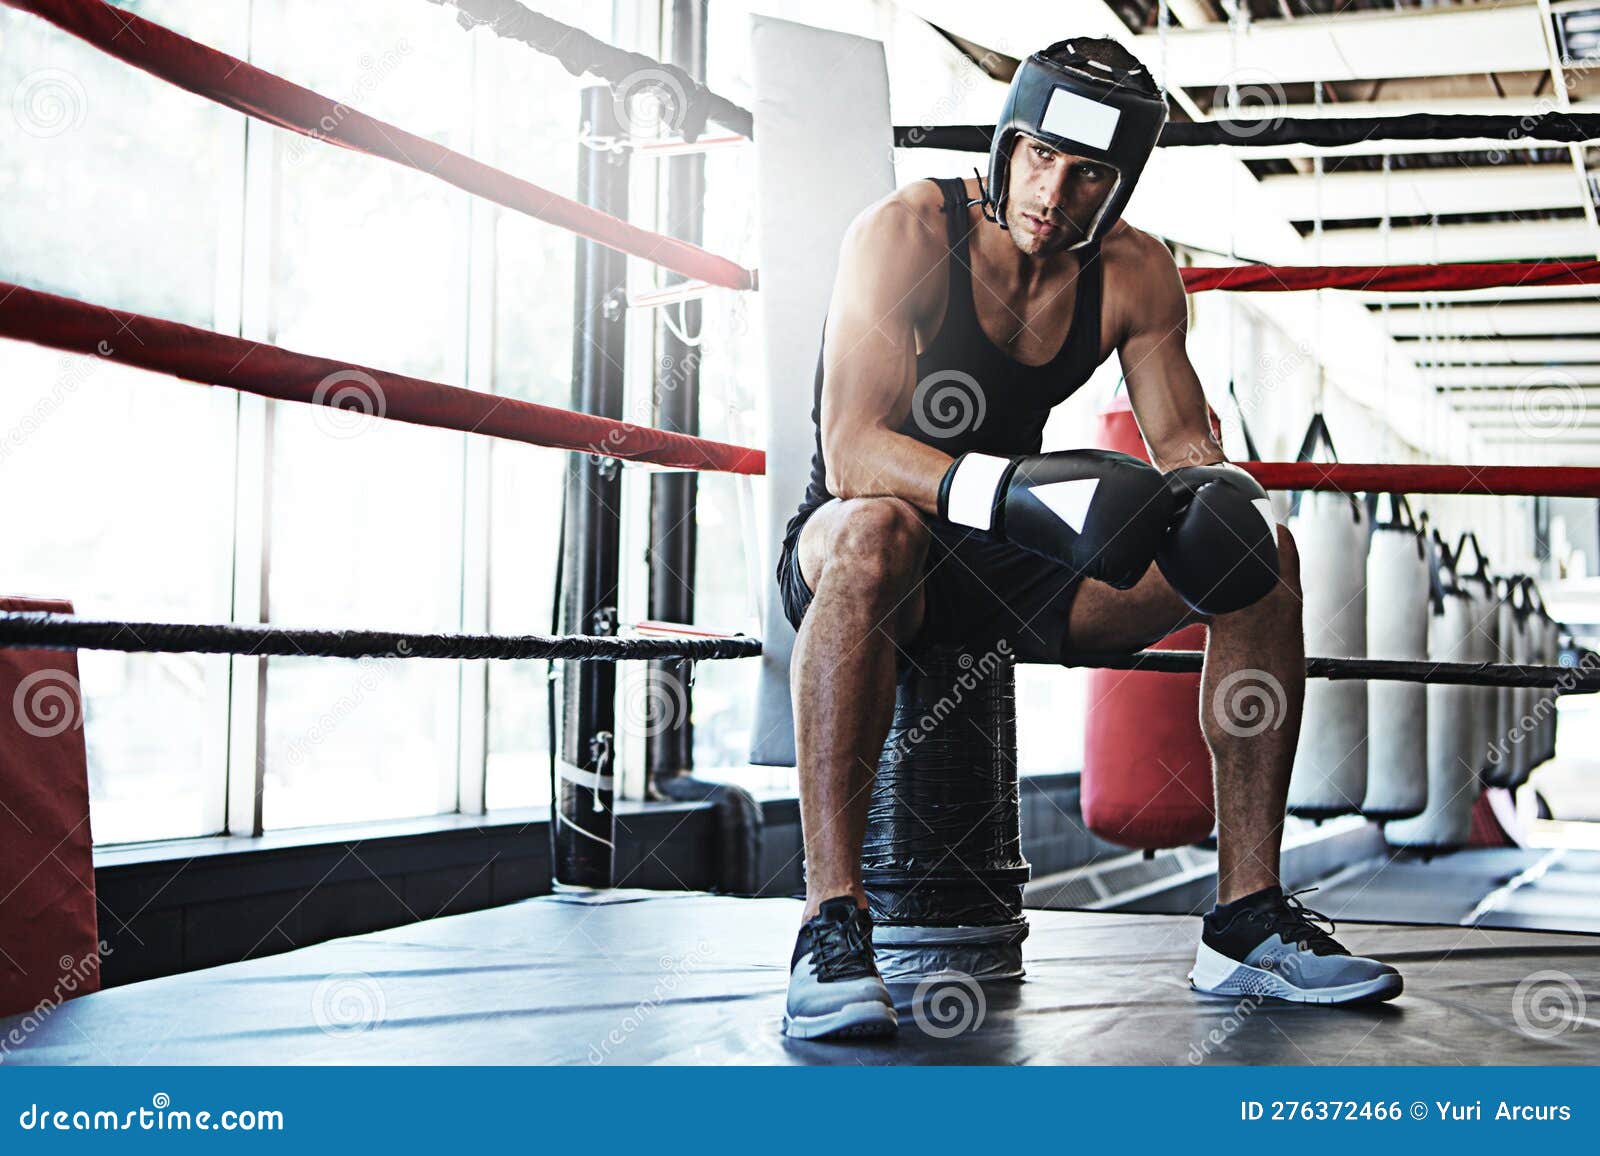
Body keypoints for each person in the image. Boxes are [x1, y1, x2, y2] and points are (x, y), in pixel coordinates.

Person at [777, 38, 1401, 1041]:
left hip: (1020, 562)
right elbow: (853, 450)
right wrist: (1011, 490)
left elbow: (1190, 446)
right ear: (1004, 142)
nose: (1053, 191)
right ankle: (831, 923)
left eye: (1088, 174)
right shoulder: (902, 234)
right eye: (1036, 156)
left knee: (1261, 560)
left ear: (1120, 186)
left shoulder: (1135, 273)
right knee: (875, 533)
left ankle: (1243, 917)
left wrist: (1215, 499)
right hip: (877, 541)